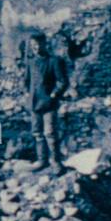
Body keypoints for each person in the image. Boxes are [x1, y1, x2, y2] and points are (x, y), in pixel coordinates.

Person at [27, 34, 70, 169]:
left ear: (45, 44)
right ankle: (42, 161)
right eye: (33, 44)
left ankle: (56, 162)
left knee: (50, 133)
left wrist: (54, 95)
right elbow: (27, 81)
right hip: (34, 104)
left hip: (49, 104)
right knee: (37, 133)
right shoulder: (31, 62)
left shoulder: (54, 61)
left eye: (39, 44)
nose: (36, 47)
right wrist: (29, 95)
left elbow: (63, 82)